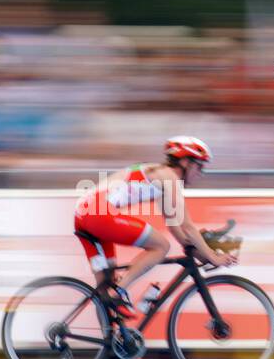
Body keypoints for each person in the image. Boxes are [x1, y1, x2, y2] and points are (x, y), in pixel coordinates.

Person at [74, 135, 237, 318]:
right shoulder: (169, 176)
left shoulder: (158, 176)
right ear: (184, 162)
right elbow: (189, 226)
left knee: (106, 290)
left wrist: (196, 251)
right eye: (199, 166)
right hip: (99, 213)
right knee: (161, 246)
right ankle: (119, 292)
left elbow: (176, 227)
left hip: (83, 213)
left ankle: (111, 341)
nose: (200, 172)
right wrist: (213, 258)